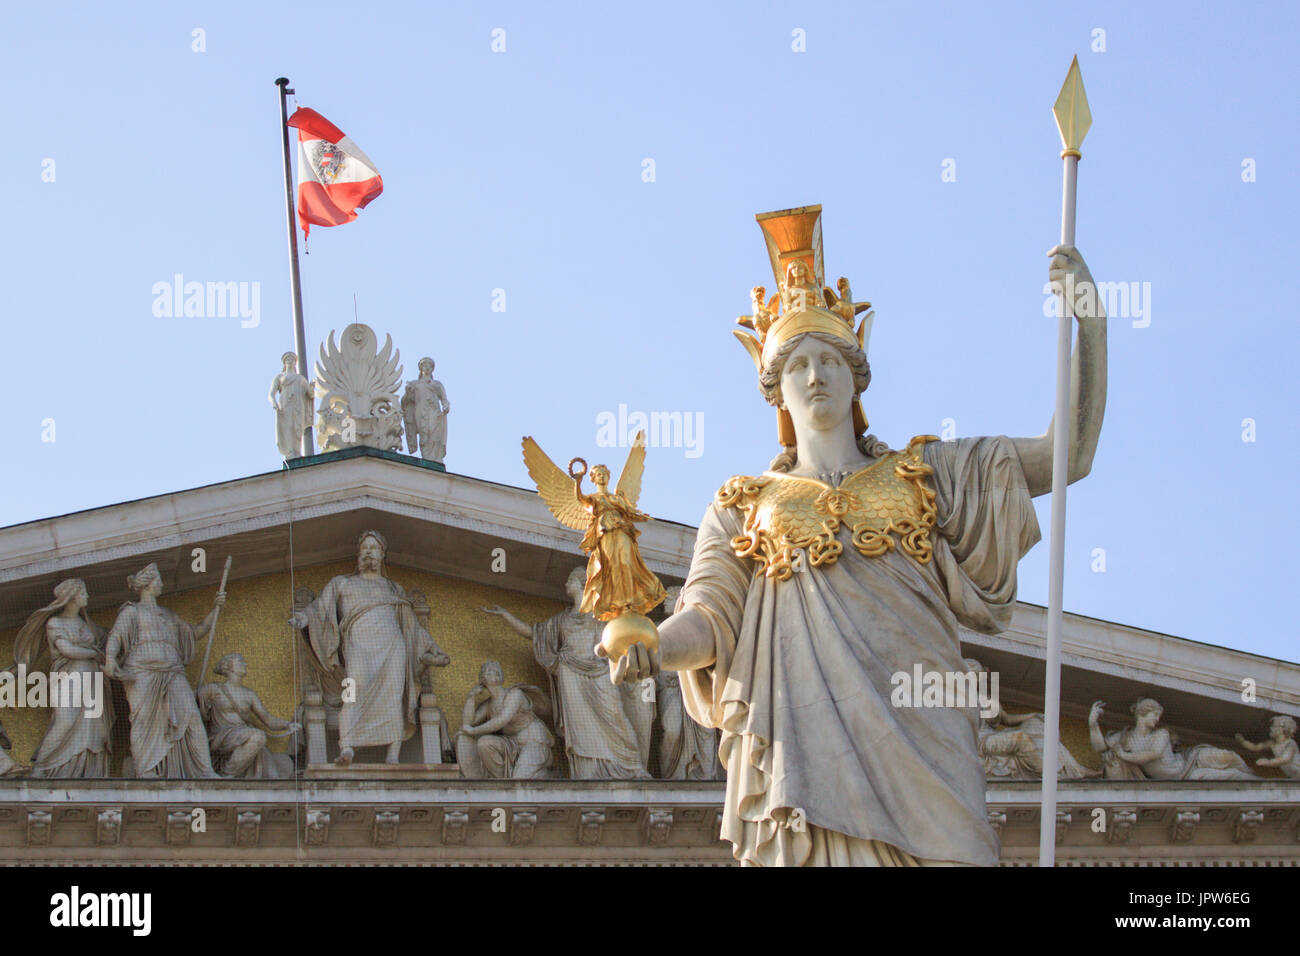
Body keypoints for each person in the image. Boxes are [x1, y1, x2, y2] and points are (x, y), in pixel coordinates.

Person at [601, 210, 1107, 866]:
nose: (815, 376)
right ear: (775, 388)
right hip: (805, 757)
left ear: (856, 375)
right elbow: (709, 619)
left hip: (925, 746)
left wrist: (1088, 322)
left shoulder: (928, 476)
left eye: (829, 360)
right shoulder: (741, 507)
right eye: (799, 365)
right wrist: (651, 644)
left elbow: (1066, 454)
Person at [291, 530, 450, 765]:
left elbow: (411, 627)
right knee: (353, 692)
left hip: (392, 647)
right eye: (364, 548)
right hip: (358, 646)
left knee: (394, 696)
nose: (368, 552)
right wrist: (303, 619)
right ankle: (347, 748)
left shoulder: (393, 588)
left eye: (373, 548)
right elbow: (319, 610)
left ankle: (393, 755)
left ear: (382, 555)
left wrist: (433, 649)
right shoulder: (342, 583)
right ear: (358, 554)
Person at [481, 567, 649, 778]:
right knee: (581, 726)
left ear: (583, 585)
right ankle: (588, 770)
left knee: (614, 714)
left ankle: (633, 766)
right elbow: (534, 634)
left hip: (600, 673)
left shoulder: (603, 617)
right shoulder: (561, 620)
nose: (565, 585)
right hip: (570, 674)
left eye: (570, 580)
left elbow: (624, 641)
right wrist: (507, 616)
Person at [105, 564, 220, 778]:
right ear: (147, 584)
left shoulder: (168, 615)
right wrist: (110, 658)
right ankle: (146, 770)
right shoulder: (132, 611)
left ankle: (204, 770)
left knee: (191, 716)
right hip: (141, 671)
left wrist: (216, 609)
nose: (162, 584)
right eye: (158, 580)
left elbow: (195, 633)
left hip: (173, 670)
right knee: (144, 720)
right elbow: (116, 637)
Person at [12, 578, 113, 778]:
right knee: (65, 721)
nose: (88, 596)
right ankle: (41, 768)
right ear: (71, 596)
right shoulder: (55, 623)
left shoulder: (88, 626)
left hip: (92, 680)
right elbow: (67, 649)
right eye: (83, 593)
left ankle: (87, 772)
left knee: (93, 727)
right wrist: (94, 654)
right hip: (70, 678)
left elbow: (111, 639)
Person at [1090, 698, 1255, 781]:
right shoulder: (1124, 738)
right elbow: (1100, 748)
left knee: (1228, 756)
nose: (1157, 719)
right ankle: (1254, 782)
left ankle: (1252, 774)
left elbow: (1152, 754)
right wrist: (1093, 724)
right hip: (1188, 776)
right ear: (1142, 713)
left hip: (1189, 760)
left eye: (1158, 716)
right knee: (1231, 776)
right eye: (1155, 715)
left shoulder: (1161, 734)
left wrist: (1123, 755)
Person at [198, 653, 300, 778]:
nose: (244, 664)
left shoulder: (249, 694)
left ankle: (228, 773)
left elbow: (267, 719)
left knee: (262, 749)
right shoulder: (213, 690)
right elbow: (198, 711)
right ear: (229, 666)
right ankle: (226, 773)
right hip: (221, 735)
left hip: (243, 734)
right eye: (240, 661)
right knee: (258, 736)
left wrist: (288, 725)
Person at [455, 661, 554, 779]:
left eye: (497, 670)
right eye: (489, 671)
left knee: (520, 780)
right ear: (483, 679)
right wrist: (471, 697)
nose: (494, 671)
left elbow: (502, 720)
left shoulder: (514, 694)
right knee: (484, 743)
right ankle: (501, 781)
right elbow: (468, 723)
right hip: (512, 744)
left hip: (533, 741)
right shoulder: (488, 705)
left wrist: (473, 731)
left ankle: (547, 775)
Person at [401, 357, 450, 463]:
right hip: (420, 411)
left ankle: (435, 458)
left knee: (434, 432)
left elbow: (444, 399)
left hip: (433, 410)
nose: (427, 368)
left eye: (429, 366)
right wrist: (408, 392)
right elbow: (406, 401)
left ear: (432, 369)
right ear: (421, 368)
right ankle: (426, 457)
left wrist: (446, 406)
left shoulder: (437, 384)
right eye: (425, 366)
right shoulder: (415, 384)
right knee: (424, 433)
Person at [268, 351, 315, 459]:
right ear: (284, 363)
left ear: (295, 363)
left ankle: (297, 452)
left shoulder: (301, 379)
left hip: (298, 406)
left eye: (292, 360)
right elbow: (271, 393)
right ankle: (289, 452)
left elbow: (310, 394)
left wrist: (312, 387)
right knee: (288, 427)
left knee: (297, 428)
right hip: (285, 405)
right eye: (287, 359)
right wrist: (273, 402)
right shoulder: (280, 377)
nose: (290, 361)